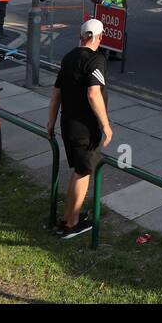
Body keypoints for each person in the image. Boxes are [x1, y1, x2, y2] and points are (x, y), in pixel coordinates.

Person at [46, 19, 113, 239]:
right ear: (97, 37)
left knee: (77, 171)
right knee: (84, 172)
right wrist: (106, 126)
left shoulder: (69, 57)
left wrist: (51, 121)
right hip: (85, 127)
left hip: (67, 123)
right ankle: (71, 225)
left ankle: (67, 217)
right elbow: (93, 94)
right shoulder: (96, 59)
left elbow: (56, 92)